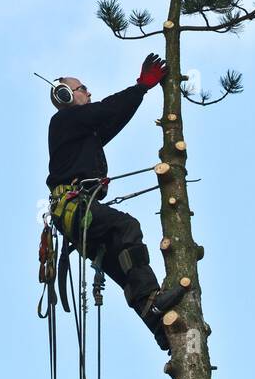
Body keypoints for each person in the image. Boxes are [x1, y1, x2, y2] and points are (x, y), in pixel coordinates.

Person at [46, 54, 187, 350]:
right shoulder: (64, 120)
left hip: (79, 213)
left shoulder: (82, 131)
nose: (89, 92)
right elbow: (106, 110)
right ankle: (153, 299)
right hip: (75, 208)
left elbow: (114, 117)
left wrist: (140, 91)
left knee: (125, 268)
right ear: (65, 94)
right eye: (82, 88)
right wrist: (140, 86)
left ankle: (156, 322)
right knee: (126, 226)